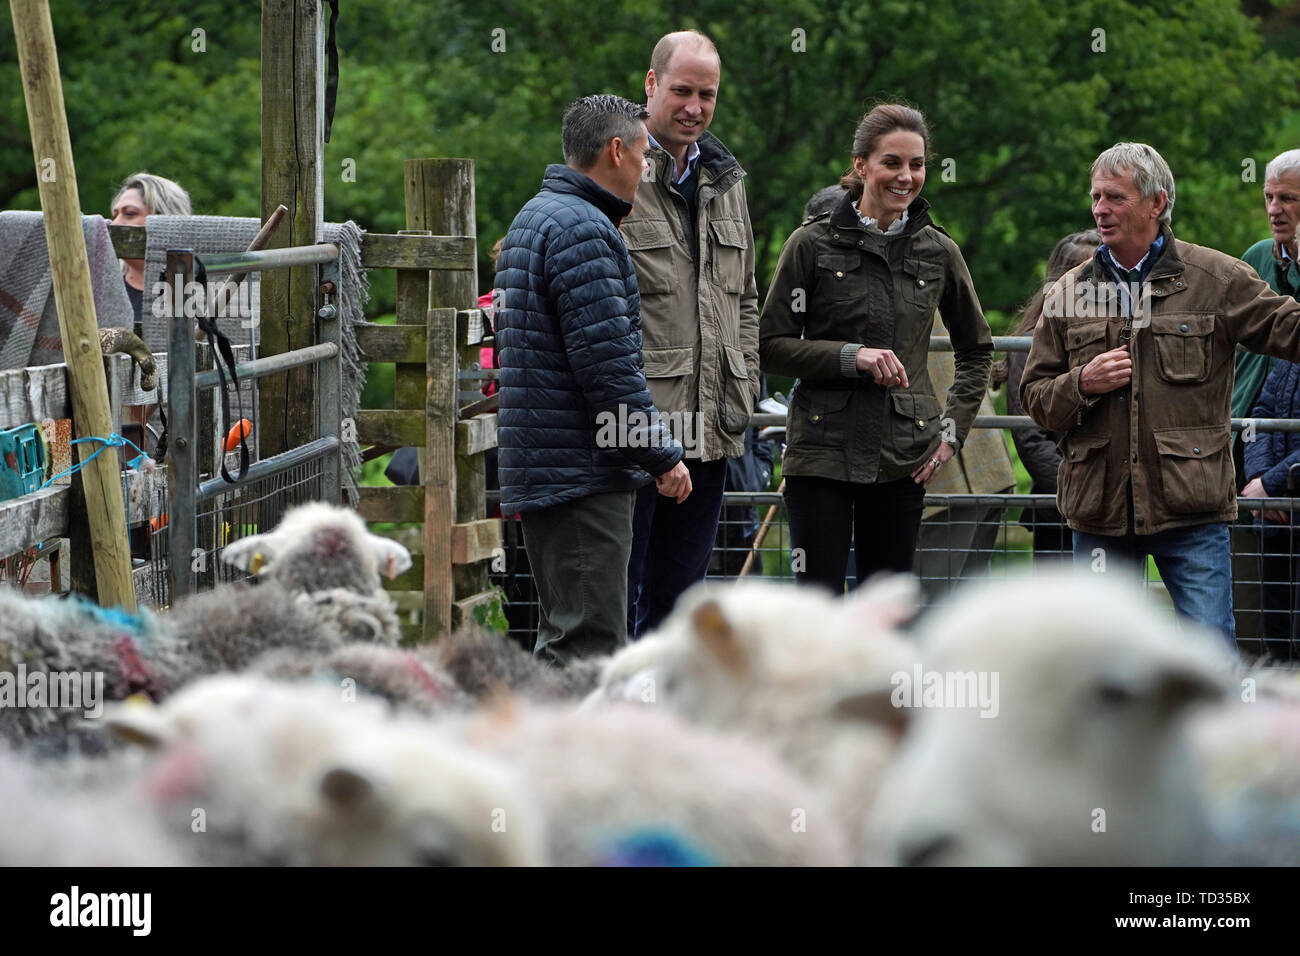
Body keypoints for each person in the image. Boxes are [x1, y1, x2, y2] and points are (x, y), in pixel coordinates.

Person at [1021, 142, 1300, 648]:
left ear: (1157, 202)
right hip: (1100, 511)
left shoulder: (1217, 280)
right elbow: (1035, 398)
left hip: (1191, 510)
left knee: (1209, 656)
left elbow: (1290, 331)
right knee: (1103, 665)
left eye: (1115, 198)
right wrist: (1082, 383)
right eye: (1096, 197)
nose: (1100, 210)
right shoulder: (1068, 290)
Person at [760, 103, 993, 594]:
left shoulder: (939, 251)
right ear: (861, 165)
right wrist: (850, 356)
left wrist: (950, 434)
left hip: (902, 457)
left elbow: (977, 351)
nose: (906, 177)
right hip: (820, 451)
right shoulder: (810, 245)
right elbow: (769, 346)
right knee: (817, 608)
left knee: (885, 613)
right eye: (892, 162)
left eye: (917, 164)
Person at [494, 94, 691, 665]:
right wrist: (662, 455)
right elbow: (607, 370)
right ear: (616, 150)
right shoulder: (585, 230)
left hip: (550, 468)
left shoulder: (537, 215)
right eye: (644, 154)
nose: (648, 167)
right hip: (581, 474)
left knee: (563, 638)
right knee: (588, 649)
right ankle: (558, 755)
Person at [620, 30, 760, 638]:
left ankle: (666, 724)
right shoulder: (616, 168)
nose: (694, 107)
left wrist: (745, 382)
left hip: (711, 428)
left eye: (707, 94)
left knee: (681, 610)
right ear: (651, 85)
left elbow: (747, 299)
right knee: (619, 598)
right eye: (681, 91)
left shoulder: (727, 181)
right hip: (636, 427)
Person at [1234, 149, 1300, 643]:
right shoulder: (1257, 259)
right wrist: (1260, 475)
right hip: (1253, 436)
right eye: (1269, 197)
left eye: (1289, 199)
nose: (1275, 209)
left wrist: (1278, 481)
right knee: (1260, 593)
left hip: (1286, 455)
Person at [1004, 230, 1101, 560]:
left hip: (1116, 510)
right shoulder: (1032, 342)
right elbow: (1030, 436)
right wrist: (1083, 492)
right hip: (1061, 508)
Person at [914, 308, 1015, 598]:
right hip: (982, 461)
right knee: (961, 604)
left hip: (942, 477)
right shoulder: (935, 270)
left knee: (928, 610)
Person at [1241, 356, 1300, 662]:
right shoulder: (1289, 350)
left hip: (1280, 503)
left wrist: (1271, 485)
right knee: (1277, 637)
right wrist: (1258, 479)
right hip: (1278, 522)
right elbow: (1260, 415)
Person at [110, 172, 193, 336]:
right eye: (114, 215)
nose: (115, 224)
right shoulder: (103, 290)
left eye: (130, 213)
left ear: (165, 220)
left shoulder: (199, 294)